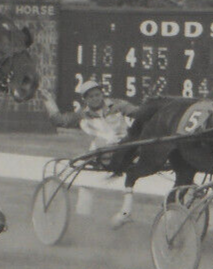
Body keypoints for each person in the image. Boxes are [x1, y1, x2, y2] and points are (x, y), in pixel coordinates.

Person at [38, 80, 140, 228]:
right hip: (100, 154)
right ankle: (83, 219)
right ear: (85, 99)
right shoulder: (82, 115)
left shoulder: (118, 106)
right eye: (91, 96)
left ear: (102, 94)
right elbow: (59, 120)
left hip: (125, 148)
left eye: (97, 94)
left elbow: (138, 112)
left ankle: (124, 213)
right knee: (85, 184)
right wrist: (49, 101)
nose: (95, 98)